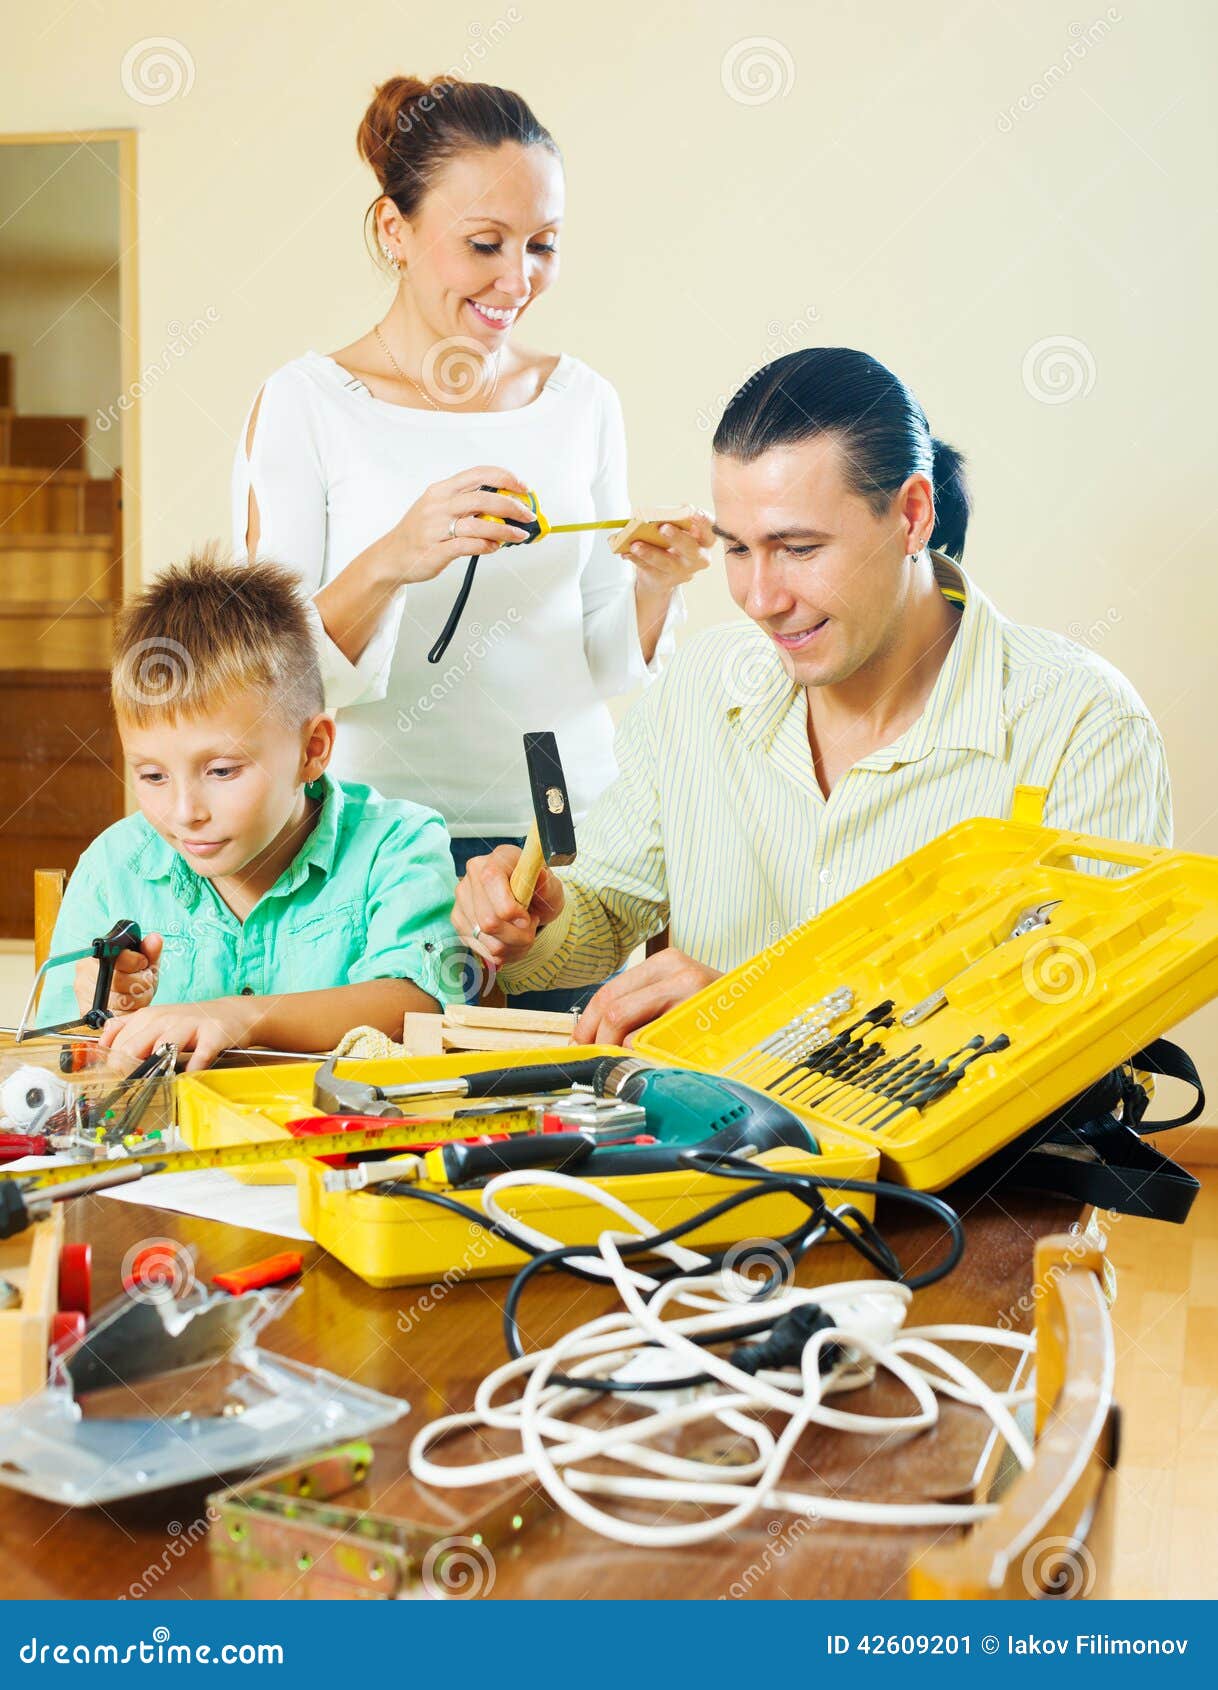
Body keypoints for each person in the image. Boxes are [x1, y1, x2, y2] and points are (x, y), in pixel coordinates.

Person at [453, 347, 1171, 1045]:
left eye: (798, 549)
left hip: (979, 1168)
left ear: (913, 516)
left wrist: (760, 1013)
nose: (760, 599)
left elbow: (1085, 1026)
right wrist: (543, 917)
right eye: (737, 549)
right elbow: (605, 914)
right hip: (721, 1149)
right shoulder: (700, 689)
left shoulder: (1082, 722)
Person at [232, 73, 712, 1006]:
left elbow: (609, 665)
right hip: (374, 850)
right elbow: (260, 680)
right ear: (393, 232)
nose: (516, 281)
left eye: (543, 247)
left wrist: (657, 586)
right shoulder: (307, 404)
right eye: (485, 245)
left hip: (555, 848)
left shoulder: (581, 402)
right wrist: (397, 555)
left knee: (555, 1129)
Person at [39, 552, 458, 1069]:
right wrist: (96, 1014)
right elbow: (56, 1063)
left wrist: (237, 1018)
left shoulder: (398, 843)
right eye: (152, 776)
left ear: (313, 750)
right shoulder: (112, 865)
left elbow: (418, 1004)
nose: (184, 811)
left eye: (221, 771)